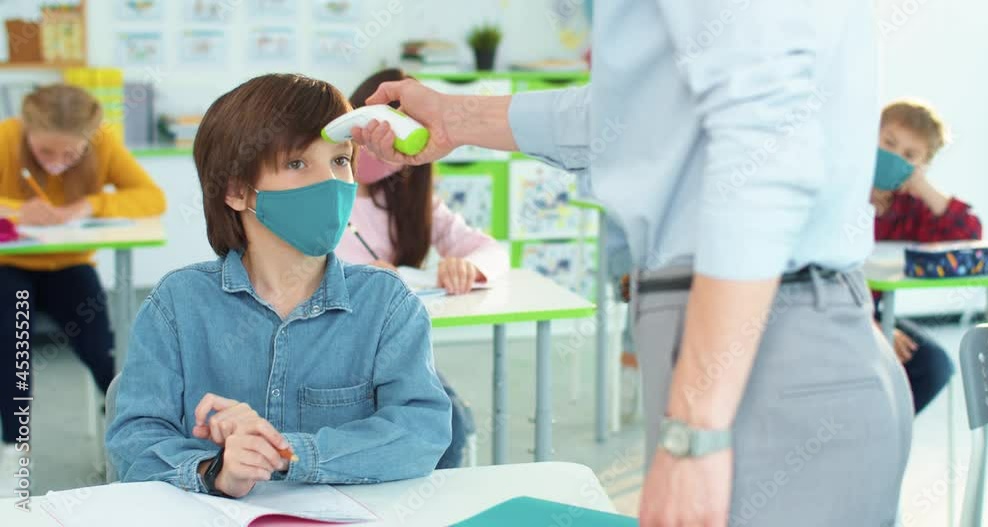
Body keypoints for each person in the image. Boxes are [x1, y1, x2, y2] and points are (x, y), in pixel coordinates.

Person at [353, 2, 912, 525]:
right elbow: (642, 118)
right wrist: (455, 116)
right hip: (763, 336)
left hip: (767, 350)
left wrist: (695, 434)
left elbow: (764, 145)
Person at [106, 74, 451, 498]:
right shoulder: (177, 304)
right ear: (236, 190)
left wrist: (286, 455)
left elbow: (421, 432)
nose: (331, 183)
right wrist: (215, 470)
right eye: (296, 163)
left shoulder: (386, 303)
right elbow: (133, 441)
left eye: (340, 161)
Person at [336, 68, 510, 468]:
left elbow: (490, 250)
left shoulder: (411, 202)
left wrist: (468, 267)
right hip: (337, 348)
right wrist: (363, 279)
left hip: (391, 348)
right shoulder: (324, 193)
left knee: (451, 424)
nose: (384, 148)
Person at [0, 85, 166, 477]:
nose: (57, 163)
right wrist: (18, 211)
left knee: (103, 348)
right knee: (11, 345)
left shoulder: (104, 143)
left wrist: (91, 203)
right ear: (26, 131)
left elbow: (151, 197)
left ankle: (122, 428)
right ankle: (13, 445)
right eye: (44, 153)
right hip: (10, 264)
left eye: (70, 154)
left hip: (70, 265)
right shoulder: (6, 137)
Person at [871, 99, 980, 414]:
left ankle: (883, 438)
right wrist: (872, 326)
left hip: (876, 312)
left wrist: (922, 186)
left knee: (933, 366)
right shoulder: (845, 189)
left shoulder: (909, 206)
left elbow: (967, 237)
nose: (894, 157)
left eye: (909, 155)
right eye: (888, 143)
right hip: (833, 309)